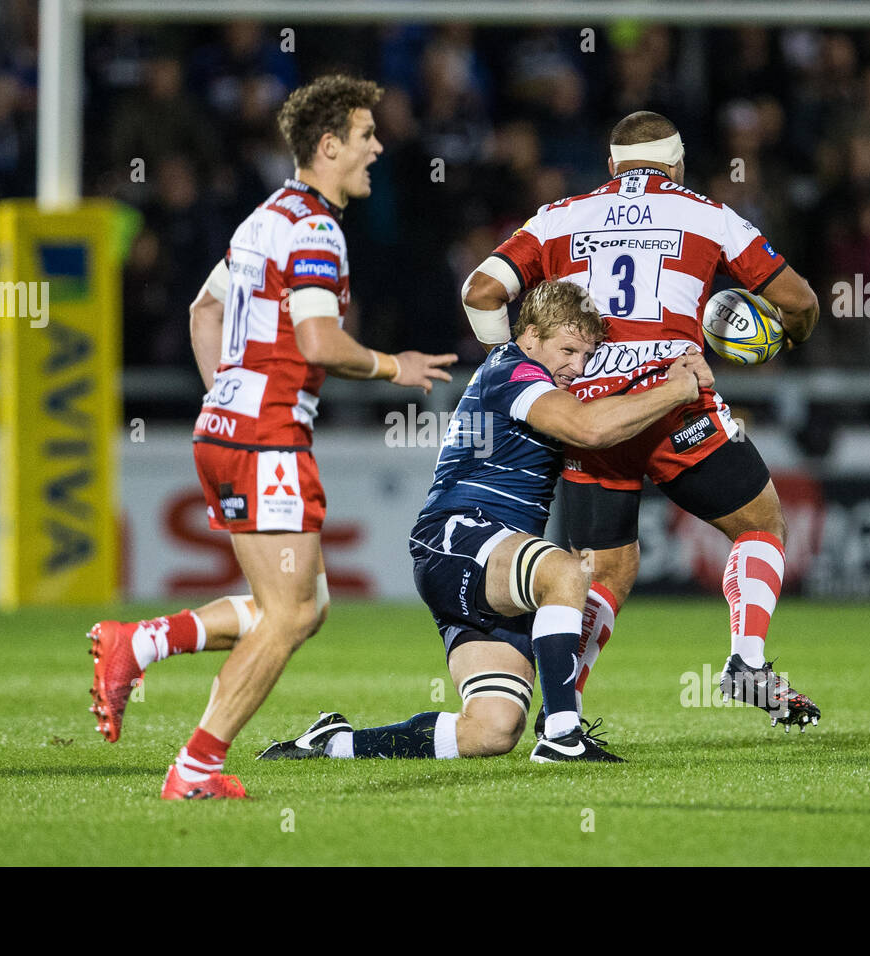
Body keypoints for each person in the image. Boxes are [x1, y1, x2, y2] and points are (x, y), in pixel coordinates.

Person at [87, 75, 457, 799]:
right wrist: (393, 364)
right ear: (328, 146)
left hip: (226, 430)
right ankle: (194, 768)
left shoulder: (263, 220)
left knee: (301, 605)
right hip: (267, 438)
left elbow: (202, 311)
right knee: (289, 614)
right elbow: (319, 342)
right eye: (364, 136)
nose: (378, 148)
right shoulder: (317, 230)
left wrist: (226, 396)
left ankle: (140, 642)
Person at [461, 111, 821, 735]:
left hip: (591, 415)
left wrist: (515, 370)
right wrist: (783, 339)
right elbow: (800, 301)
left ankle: (561, 706)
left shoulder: (559, 216)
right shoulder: (708, 215)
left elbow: (481, 292)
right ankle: (747, 660)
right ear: (677, 164)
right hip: (671, 403)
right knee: (760, 523)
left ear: (611, 167)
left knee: (607, 572)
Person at [259, 280, 713, 763]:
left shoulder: (538, 376)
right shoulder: (512, 371)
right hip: (458, 533)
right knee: (564, 572)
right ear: (531, 335)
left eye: (585, 356)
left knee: (492, 730)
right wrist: (679, 388)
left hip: (487, 560)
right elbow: (591, 427)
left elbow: (604, 416)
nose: (576, 367)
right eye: (568, 350)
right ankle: (563, 735)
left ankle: (334, 744)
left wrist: (662, 377)